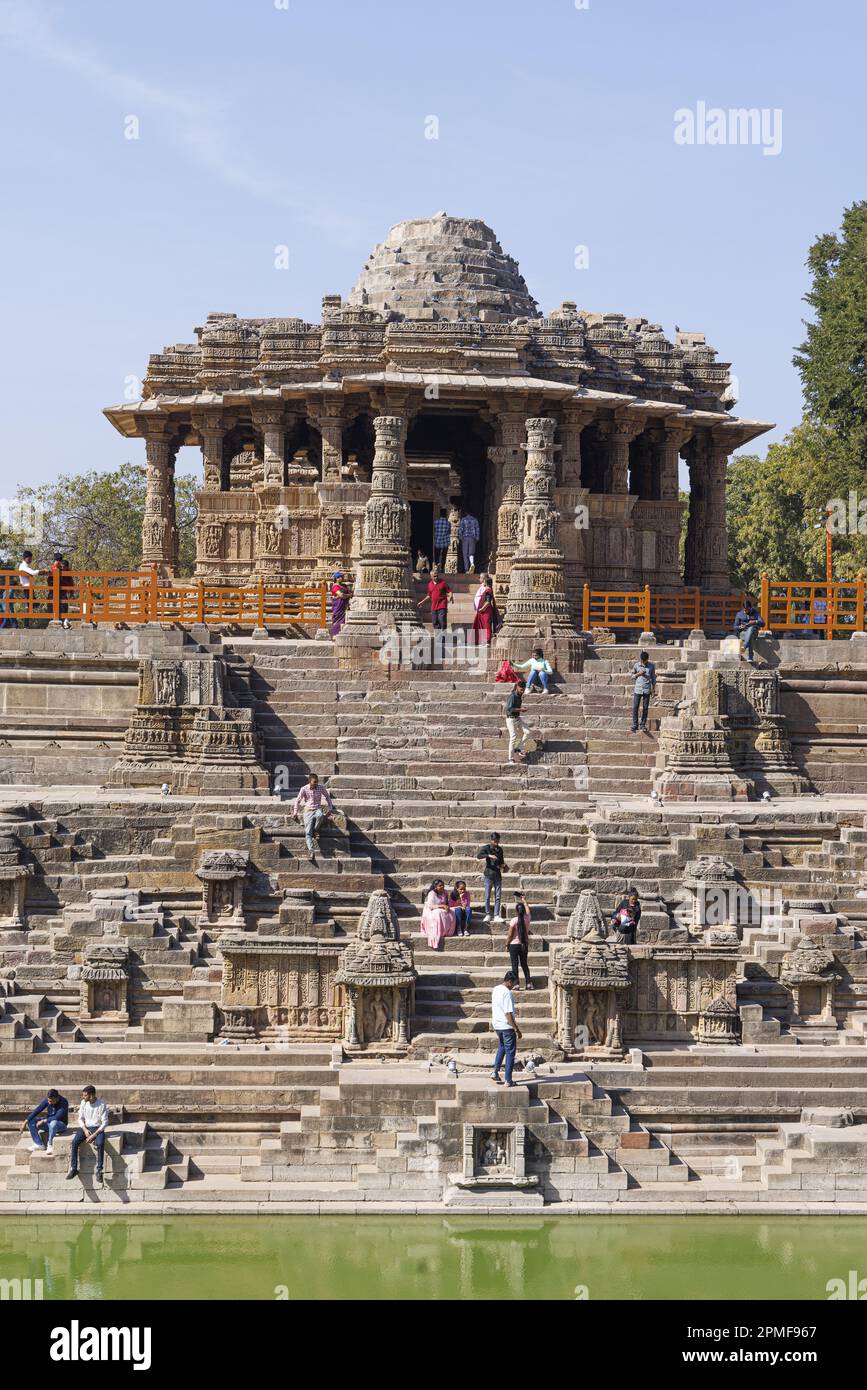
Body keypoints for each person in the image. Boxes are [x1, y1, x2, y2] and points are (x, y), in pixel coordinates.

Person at [66, 1085, 109, 1185]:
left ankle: (99, 1170)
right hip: (86, 1128)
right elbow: (80, 1119)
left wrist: (93, 1135)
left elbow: (105, 1123)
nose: (83, 1097)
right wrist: (85, 1130)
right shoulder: (83, 1103)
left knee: (100, 1143)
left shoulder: (102, 1105)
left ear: (92, 1095)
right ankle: (74, 1168)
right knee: (75, 1142)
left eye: (85, 1095)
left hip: (97, 1129)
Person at [292, 772, 334, 862]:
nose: (316, 784)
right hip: (308, 811)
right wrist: (295, 812)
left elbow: (327, 797)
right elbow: (297, 801)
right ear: (310, 781)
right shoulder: (304, 789)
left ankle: (316, 829)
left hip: (317, 809)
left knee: (320, 816)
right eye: (314, 782)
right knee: (308, 833)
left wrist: (330, 808)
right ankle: (311, 851)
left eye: (317, 782)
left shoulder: (320, 787)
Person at [491, 971, 521, 1088]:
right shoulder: (507, 993)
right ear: (509, 982)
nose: (514, 986)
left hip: (497, 1025)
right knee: (510, 1053)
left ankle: (495, 1071)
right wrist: (516, 1029)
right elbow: (508, 1014)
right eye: (514, 983)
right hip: (506, 1026)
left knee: (502, 1047)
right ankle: (508, 1080)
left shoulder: (496, 989)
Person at [21, 1088, 69, 1154]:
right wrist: (25, 1122)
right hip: (49, 1123)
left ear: (57, 1098)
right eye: (48, 1101)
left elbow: (57, 1117)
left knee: (53, 1123)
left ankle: (50, 1145)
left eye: (51, 1101)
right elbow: (37, 1110)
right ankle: (39, 1144)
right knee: (31, 1121)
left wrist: (43, 1121)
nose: (49, 1103)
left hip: (60, 1125)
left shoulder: (64, 1102)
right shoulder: (48, 1100)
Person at [477, 831, 507, 923]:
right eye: (494, 840)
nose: (496, 842)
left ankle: (496, 915)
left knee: (498, 896)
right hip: (489, 874)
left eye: (497, 840)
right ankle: (488, 914)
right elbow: (479, 856)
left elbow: (501, 861)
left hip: (497, 874)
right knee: (487, 896)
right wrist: (488, 855)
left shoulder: (500, 849)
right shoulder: (486, 848)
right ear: (491, 840)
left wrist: (504, 866)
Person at [420, 879, 456, 950]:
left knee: (452, 911)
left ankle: (446, 931)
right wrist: (442, 906)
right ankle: (439, 932)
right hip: (431, 910)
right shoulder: (432, 893)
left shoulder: (445, 892)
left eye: (443, 885)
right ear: (435, 887)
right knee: (438, 913)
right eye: (440, 886)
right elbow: (431, 906)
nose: (442, 887)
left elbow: (446, 903)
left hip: (442, 908)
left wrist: (447, 906)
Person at [506, 893, 533, 989]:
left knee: (514, 965)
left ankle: (516, 984)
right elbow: (528, 909)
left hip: (514, 945)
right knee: (524, 964)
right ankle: (528, 983)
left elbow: (510, 935)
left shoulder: (514, 920)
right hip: (524, 944)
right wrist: (524, 900)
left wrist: (507, 944)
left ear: (516, 911)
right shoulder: (527, 918)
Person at [417, 567, 452, 631]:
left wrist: (451, 597)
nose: (436, 577)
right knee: (435, 622)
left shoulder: (443, 583)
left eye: (437, 576)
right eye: (434, 576)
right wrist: (422, 602)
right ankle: (439, 639)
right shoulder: (430, 584)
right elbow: (429, 595)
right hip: (434, 606)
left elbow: (449, 591)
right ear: (431, 577)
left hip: (442, 605)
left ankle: (443, 638)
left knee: (442, 621)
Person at [505, 677, 531, 764]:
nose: (522, 691)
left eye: (523, 690)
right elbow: (509, 709)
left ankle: (518, 748)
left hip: (517, 718)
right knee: (513, 737)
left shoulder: (520, 696)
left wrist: (521, 710)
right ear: (517, 687)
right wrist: (521, 710)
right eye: (521, 689)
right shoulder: (512, 696)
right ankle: (510, 758)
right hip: (511, 719)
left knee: (528, 732)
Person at [629, 650, 656, 734]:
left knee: (645, 708)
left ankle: (642, 725)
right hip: (638, 689)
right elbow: (632, 676)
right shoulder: (636, 665)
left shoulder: (651, 666)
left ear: (647, 659)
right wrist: (639, 674)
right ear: (641, 660)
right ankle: (635, 724)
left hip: (647, 690)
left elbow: (653, 678)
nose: (644, 662)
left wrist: (653, 690)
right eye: (642, 661)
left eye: (645, 661)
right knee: (635, 707)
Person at [471, 573, 500, 643]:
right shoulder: (486, 589)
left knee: (486, 625)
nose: (483, 582)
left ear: (486, 582)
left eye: (484, 581)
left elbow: (488, 602)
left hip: (486, 611)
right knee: (480, 625)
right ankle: (480, 639)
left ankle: (487, 640)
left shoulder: (488, 590)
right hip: (482, 611)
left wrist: (482, 608)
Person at [734, 596, 763, 665]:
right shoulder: (739, 614)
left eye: (747, 609)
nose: (746, 611)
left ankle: (745, 645)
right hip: (743, 633)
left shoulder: (755, 613)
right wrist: (739, 627)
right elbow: (735, 627)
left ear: (750, 608)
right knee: (750, 636)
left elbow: (762, 623)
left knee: (751, 629)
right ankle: (750, 656)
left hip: (754, 631)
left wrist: (755, 622)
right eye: (745, 610)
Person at [17, 549, 40, 627]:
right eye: (29, 558)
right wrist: (41, 571)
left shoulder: (25, 566)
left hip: (29, 588)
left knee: (33, 605)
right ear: (25, 558)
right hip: (27, 588)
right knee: (29, 606)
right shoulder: (23, 566)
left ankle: (26, 625)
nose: (30, 560)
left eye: (31, 558)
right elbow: (33, 572)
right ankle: (26, 625)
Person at [329, 571, 350, 637]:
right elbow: (341, 595)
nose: (342, 578)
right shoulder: (335, 587)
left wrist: (346, 595)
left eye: (342, 577)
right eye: (340, 577)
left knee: (344, 619)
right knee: (337, 619)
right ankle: (335, 635)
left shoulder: (344, 585)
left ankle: (342, 634)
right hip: (338, 605)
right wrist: (349, 595)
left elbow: (346, 594)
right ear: (337, 578)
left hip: (345, 605)